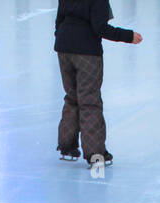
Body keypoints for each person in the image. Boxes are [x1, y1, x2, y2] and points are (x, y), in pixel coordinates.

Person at [53, 1, 143, 168]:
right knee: (90, 101)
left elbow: (59, 19)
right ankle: (96, 154)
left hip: (64, 48)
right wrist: (128, 36)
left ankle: (67, 147)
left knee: (72, 97)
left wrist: (62, 37)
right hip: (87, 52)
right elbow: (100, 28)